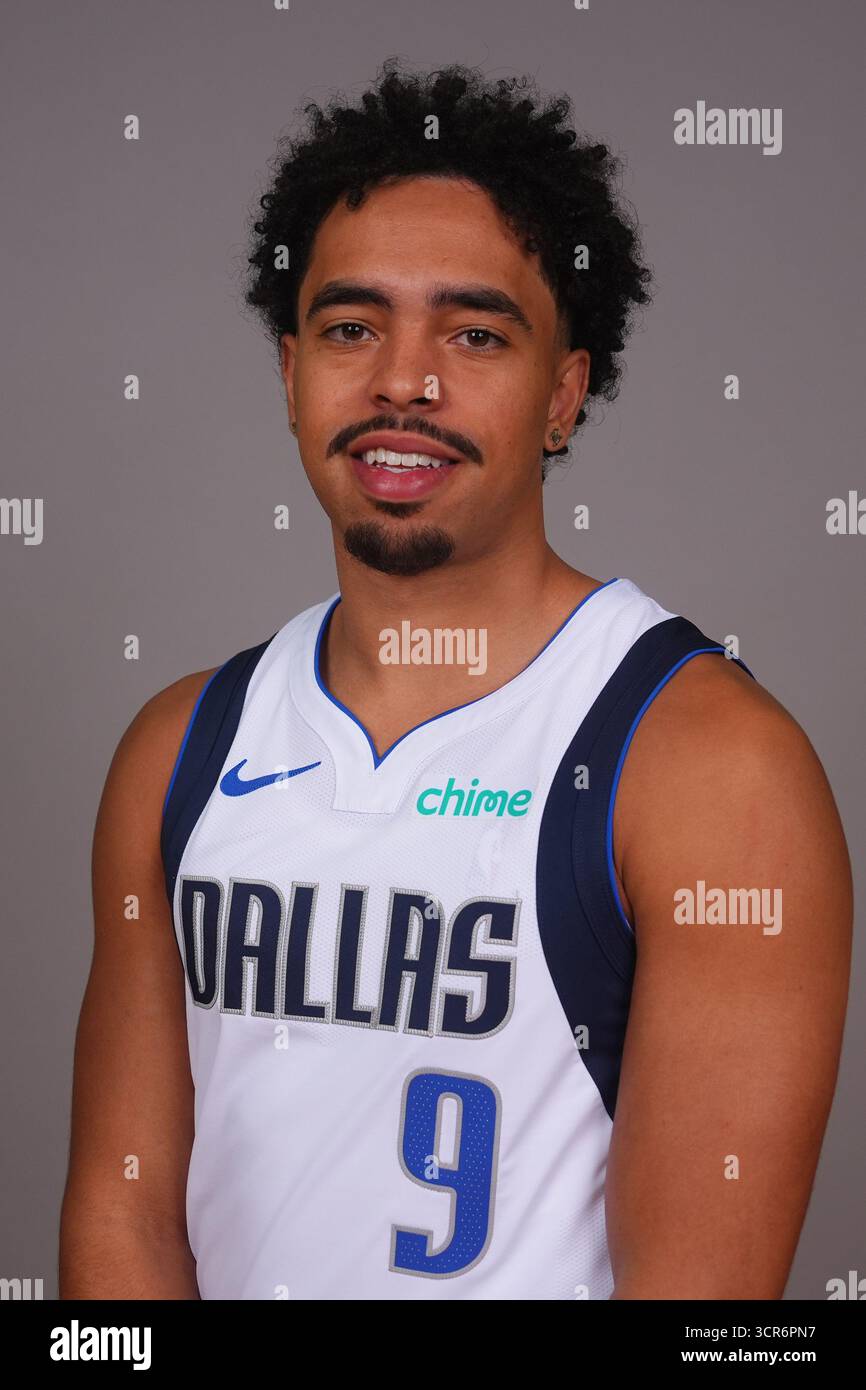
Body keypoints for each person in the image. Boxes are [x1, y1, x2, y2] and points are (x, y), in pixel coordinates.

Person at [60, 61, 852, 1300]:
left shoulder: (704, 764)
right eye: (350, 326)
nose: (402, 382)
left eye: (473, 333)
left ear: (563, 393)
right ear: (288, 371)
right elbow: (123, 1233)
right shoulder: (180, 747)